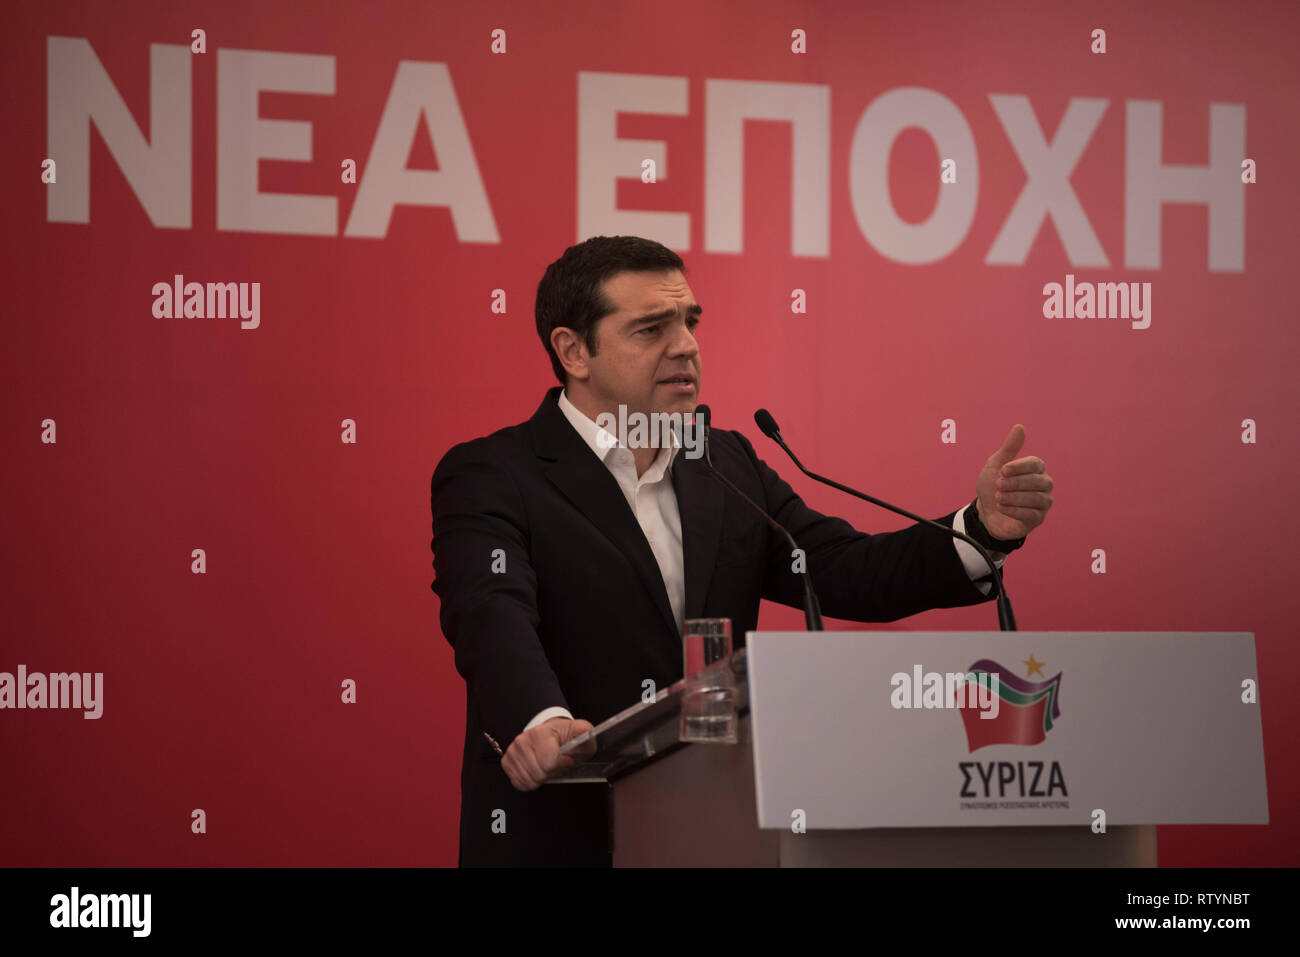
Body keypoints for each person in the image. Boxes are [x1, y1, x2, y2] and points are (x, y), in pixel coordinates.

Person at [430, 235, 1054, 867]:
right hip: (562, 834)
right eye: (651, 329)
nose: (687, 346)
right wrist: (543, 720)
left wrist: (979, 530)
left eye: (690, 322)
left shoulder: (725, 461)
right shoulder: (494, 473)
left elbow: (842, 570)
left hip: (716, 831)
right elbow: (491, 610)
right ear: (573, 351)